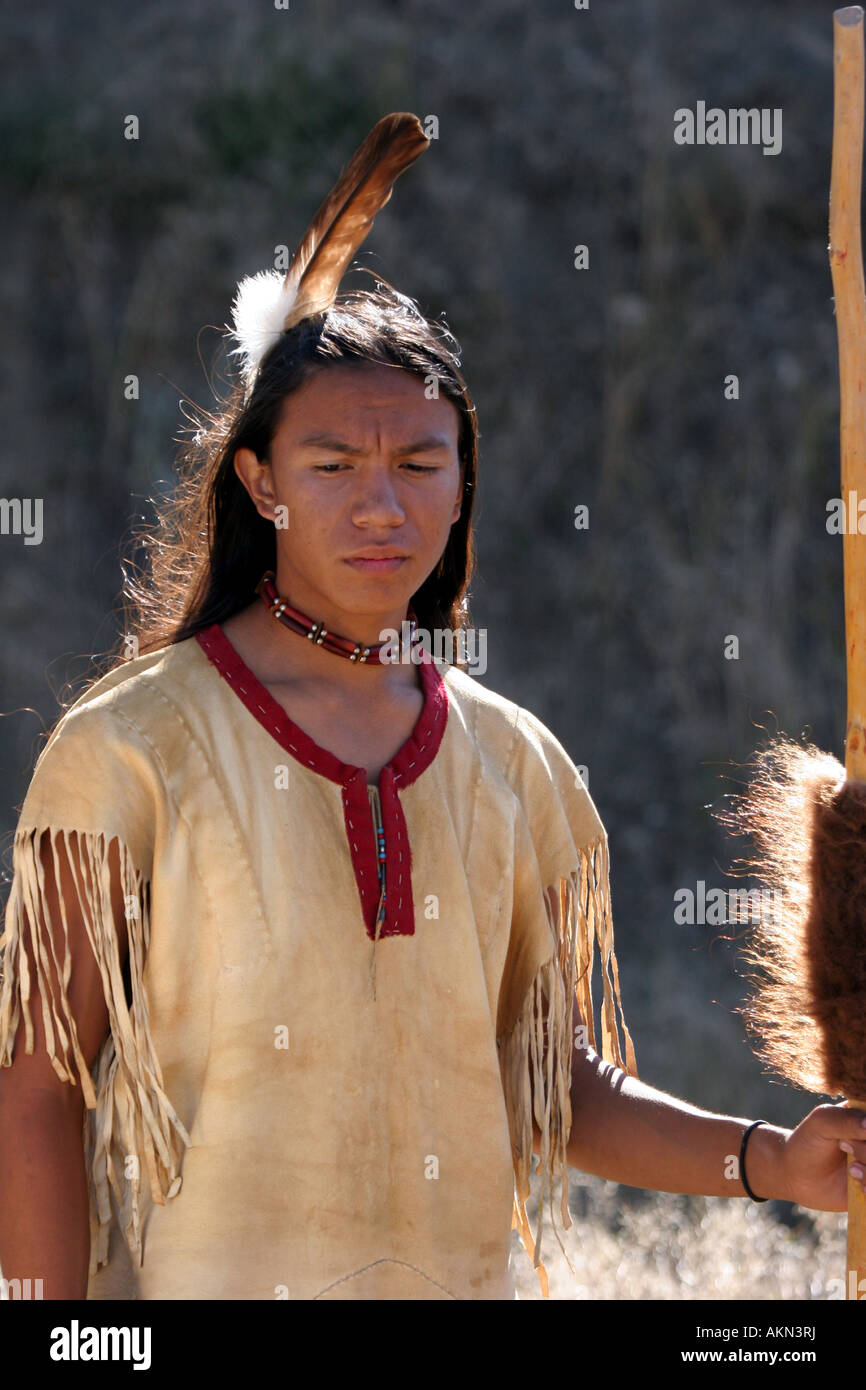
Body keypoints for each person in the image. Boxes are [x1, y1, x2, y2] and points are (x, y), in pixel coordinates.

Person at [1, 115, 865, 1303]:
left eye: (418, 464)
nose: (379, 506)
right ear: (258, 482)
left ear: (463, 481)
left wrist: (770, 1161)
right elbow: (39, 1088)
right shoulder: (129, 747)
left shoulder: (512, 762)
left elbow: (546, 1086)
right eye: (331, 466)